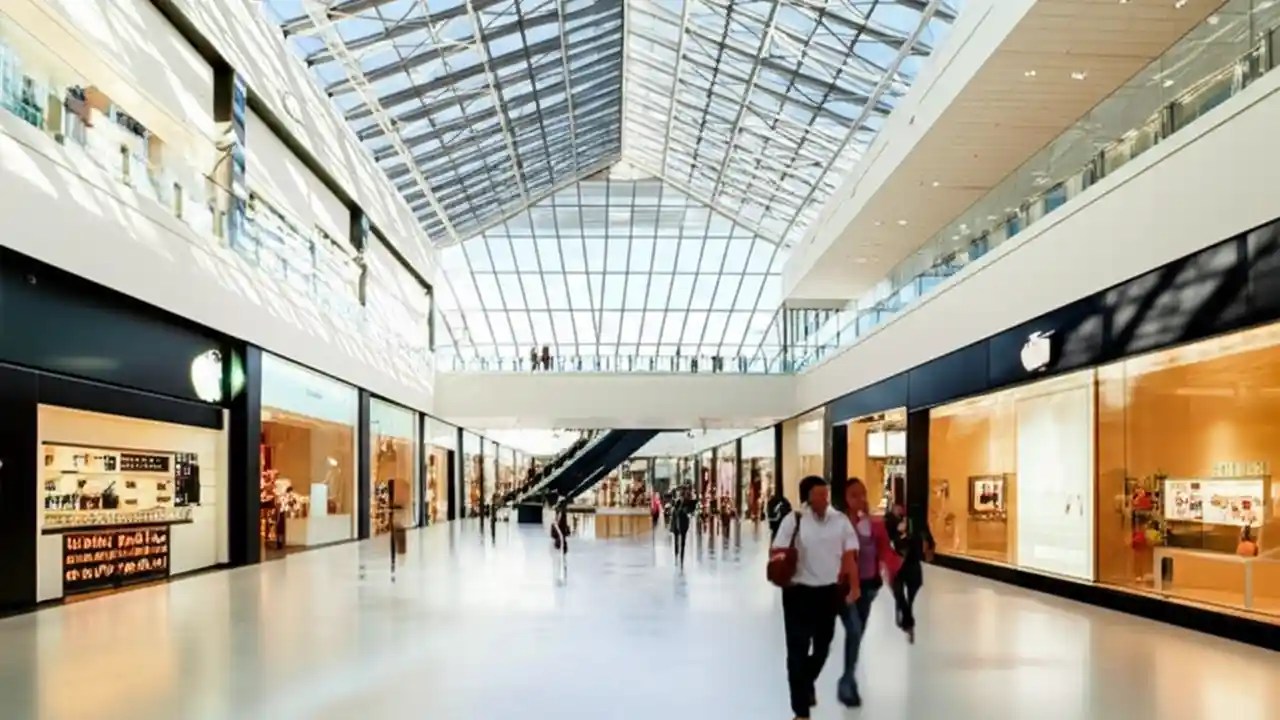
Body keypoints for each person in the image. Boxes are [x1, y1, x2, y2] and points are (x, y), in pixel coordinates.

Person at [772, 476, 859, 720]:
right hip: (797, 592)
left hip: (828, 592)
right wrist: (783, 571)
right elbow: (777, 549)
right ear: (807, 497)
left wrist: (854, 585)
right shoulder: (794, 520)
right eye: (818, 494)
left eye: (826, 494)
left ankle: (806, 681)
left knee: (822, 647)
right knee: (797, 651)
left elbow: (850, 553)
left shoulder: (839, 520)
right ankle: (801, 711)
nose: (824, 498)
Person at [837, 477, 902, 708]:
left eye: (863, 494)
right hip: (845, 588)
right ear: (845, 498)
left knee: (857, 633)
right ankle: (847, 682)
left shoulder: (875, 523)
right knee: (854, 630)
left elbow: (885, 551)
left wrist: (899, 569)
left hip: (869, 586)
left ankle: (848, 678)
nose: (860, 499)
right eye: (854, 495)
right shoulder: (840, 523)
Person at [885, 501, 934, 643]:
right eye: (898, 507)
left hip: (911, 562)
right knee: (899, 593)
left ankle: (906, 613)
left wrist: (927, 547)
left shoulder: (916, 521)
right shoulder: (888, 522)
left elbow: (926, 536)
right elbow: (886, 540)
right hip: (896, 564)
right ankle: (908, 621)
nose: (901, 510)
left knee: (911, 590)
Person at [670, 487, 694, 566]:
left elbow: (689, 512)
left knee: (682, 542)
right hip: (677, 524)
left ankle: (680, 559)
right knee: (677, 541)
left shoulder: (686, 502)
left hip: (683, 524)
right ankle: (677, 557)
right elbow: (675, 513)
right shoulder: (677, 502)